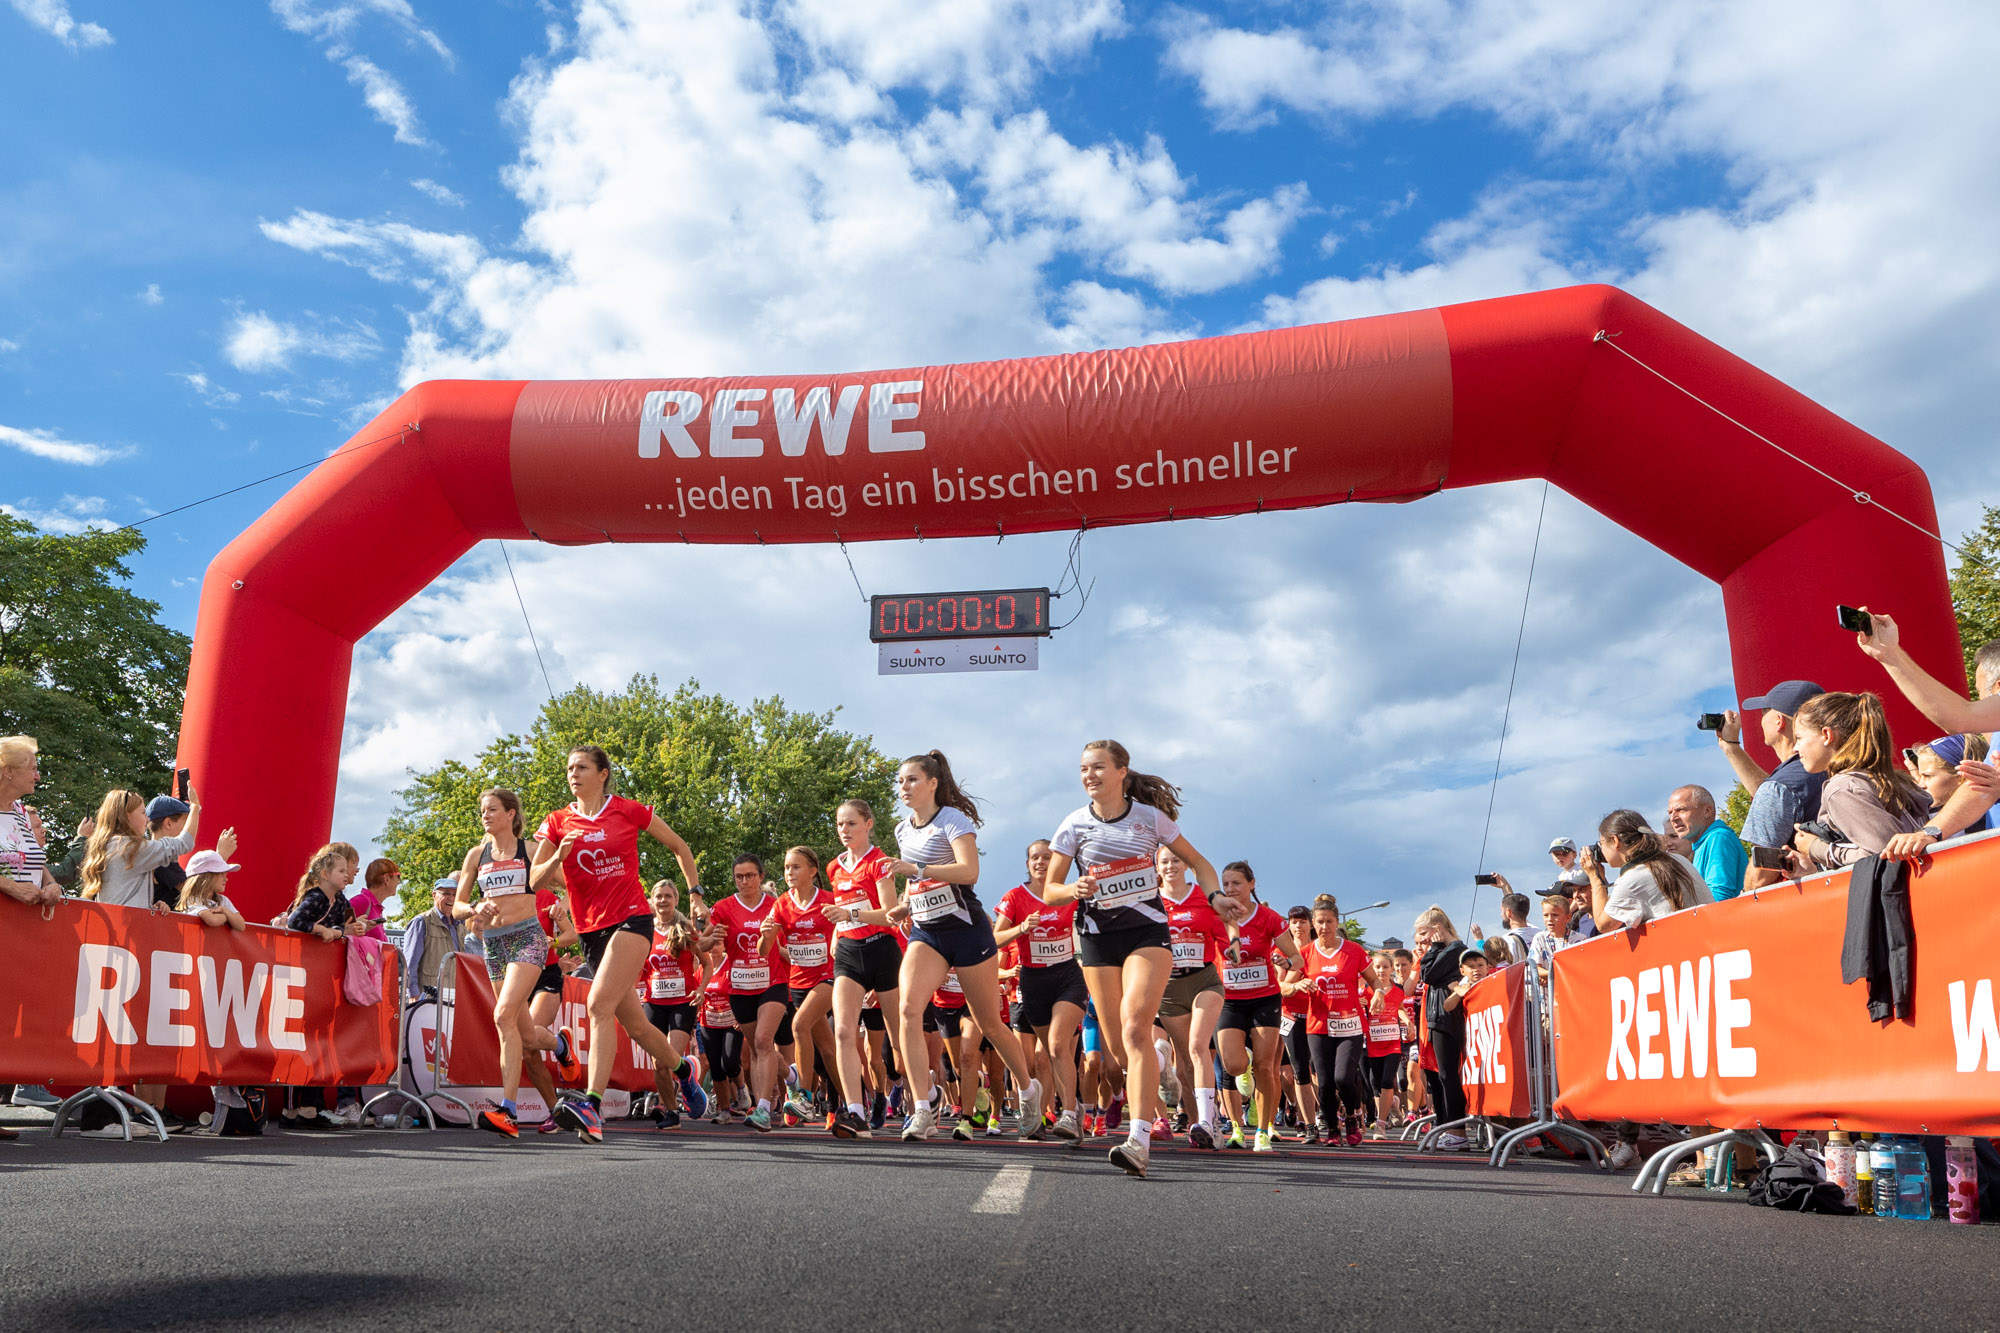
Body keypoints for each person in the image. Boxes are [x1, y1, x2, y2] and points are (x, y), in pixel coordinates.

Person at [1040, 739, 1220, 1178]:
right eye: (1084, 769)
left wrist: (1214, 895)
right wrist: (1074, 890)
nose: (1089, 776)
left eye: (1098, 767)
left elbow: (1199, 863)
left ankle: (1138, 1139)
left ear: (1122, 771)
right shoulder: (1073, 825)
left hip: (1146, 934)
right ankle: (1161, 1072)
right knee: (1120, 1050)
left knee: (1137, 1025)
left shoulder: (1149, 819)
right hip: (1098, 939)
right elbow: (1050, 889)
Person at [529, 743, 703, 1144]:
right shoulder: (557, 821)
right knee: (638, 1026)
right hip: (591, 933)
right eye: (569, 768)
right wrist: (558, 859)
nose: (573, 774)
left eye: (582, 767)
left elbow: (679, 846)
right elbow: (535, 880)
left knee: (598, 1005)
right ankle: (683, 1072)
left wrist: (694, 893)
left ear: (603, 773)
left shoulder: (627, 809)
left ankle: (590, 1104)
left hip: (632, 920)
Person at [888, 751, 1044, 1147]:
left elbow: (969, 872)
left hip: (966, 929)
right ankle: (922, 1108)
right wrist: (905, 905)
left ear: (932, 783)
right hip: (927, 932)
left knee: (989, 1022)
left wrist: (919, 871)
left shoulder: (953, 820)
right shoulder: (902, 829)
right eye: (900, 782)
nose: (903, 788)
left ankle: (1028, 1092)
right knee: (908, 1009)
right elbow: (913, 881)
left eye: (911, 780)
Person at [452, 788, 580, 1139]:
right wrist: (475, 909)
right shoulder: (476, 856)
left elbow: (572, 886)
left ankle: (507, 1111)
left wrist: (562, 906)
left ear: (511, 814)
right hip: (493, 945)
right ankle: (560, 1046)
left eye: (492, 809)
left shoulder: (532, 851)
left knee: (503, 1016)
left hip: (529, 938)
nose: (485, 815)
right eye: (482, 810)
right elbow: (458, 906)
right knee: (523, 1034)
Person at [994, 839, 1089, 1142]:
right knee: (1043, 1057)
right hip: (1034, 982)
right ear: (1028, 864)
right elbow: (995, 940)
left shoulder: (1068, 894)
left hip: (1067, 977)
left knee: (1059, 1046)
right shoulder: (1015, 898)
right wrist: (1021, 929)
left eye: (1047, 857)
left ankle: (1070, 1114)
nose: (1041, 862)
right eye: (1035, 857)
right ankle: (1049, 1109)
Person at [822, 797, 902, 1139]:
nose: (844, 830)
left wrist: (850, 915)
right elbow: (840, 912)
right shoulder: (834, 867)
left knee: (899, 1037)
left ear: (869, 824)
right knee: (843, 1032)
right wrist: (838, 932)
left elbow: (891, 913)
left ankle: (922, 1101)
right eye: (840, 824)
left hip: (882, 950)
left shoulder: (879, 863)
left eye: (851, 823)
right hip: (849, 953)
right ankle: (855, 1110)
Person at [1211, 861, 1305, 1153]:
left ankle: (1262, 1131)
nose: (1230, 889)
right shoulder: (1215, 916)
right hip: (1229, 1000)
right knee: (1234, 1065)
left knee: (1266, 1066)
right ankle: (1236, 1124)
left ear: (1251, 884)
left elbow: (1297, 959)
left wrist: (1284, 963)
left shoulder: (1268, 918)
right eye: (1225, 884)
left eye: (1236, 883)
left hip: (1264, 998)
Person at [1787, 692, 1931, 870]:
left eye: (1799, 738)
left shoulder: (1842, 789)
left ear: (1826, 735)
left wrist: (1817, 849)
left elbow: (1883, 854)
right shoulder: (1895, 779)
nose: (1795, 748)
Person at [699, 854, 788, 1132]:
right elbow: (701, 944)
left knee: (763, 1042)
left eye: (750, 875)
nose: (744, 881)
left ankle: (762, 1108)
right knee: (761, 1050)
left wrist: (774, 942)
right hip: (740, 987)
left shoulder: (777, 906)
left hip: (772, 981)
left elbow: (787, 951)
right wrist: (711, 939)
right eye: (739, 876)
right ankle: (792, 1075)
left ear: (761, 877)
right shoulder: (724, 907)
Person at [1151, 843, 1228, 1150]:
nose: (1170, 866)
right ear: (1157, 869)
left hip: (1203, 980)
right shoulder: (1151, 903)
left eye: (1175, 860)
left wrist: (1233, 947)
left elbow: (1227, 929)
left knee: (1198, 1047)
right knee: (1184, 1065)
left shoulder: (1204, 897)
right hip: (1169, 989)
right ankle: (1202, 1127)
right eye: (1164, 862)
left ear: (1185, 866)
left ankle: (1210, 1121)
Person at [762, 846, 841, 1128]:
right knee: (828, 1050)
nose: (789, 873)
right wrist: (766, 933)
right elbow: (764, 950)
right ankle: (842, 1104)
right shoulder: (781, 903)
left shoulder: (829, 900)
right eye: (786, 867)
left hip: (829, 977)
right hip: (798, 982)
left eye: (796, 867)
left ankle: (805, 1098)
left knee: (799, 1026)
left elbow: (849, 931)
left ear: (812, 871)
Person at [1728, 680, 1829, 890]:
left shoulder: (1780, 787)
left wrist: (1744, 894)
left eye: (1764, 711)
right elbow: (1772, 793)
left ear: (1779, 721)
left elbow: (1761, 874)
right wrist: (1730, 747)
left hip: (1805, 904)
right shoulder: (1840, 767)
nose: (1760, 718)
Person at [1297, 894, 1371, 1147]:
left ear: (1337, 922)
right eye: (1320, 921)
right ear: (1313, 923)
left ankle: (1351, 1115)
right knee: (1326, 1083)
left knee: (1342, 1078)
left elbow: (1376, 981)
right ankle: (1332, 1130)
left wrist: (1380, 993)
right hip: (1318, 1026)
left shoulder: (1354, 951)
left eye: (1329, 921)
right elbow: (1283, 984)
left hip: (1349, 1024)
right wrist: (1297, 983)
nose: (1324, 926)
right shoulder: (1305, 953)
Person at [639, 884, 707, 1128]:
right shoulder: (644, 929)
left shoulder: (685, 929)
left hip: (682, 1002)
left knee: (671, 1058)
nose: (663, 900)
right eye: (659, 896)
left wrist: (700, 990)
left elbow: (706, 964)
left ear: (676, 900)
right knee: (657, 1062)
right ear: (652, 900)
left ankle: (685, 1079)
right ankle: (671, 1112)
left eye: (668, 896)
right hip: (653, 1002)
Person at [1583, 809, 1708, 931]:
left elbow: (1604, 925)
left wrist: (1595, 877)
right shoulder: (1678, 859)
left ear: (1615, 841)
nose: (1601, 850)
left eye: (1601, 843)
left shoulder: (1631, 879)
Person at [77, 787, 201, 911]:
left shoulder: (105, 845)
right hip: (129, 926)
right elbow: (185, 842)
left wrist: (148, 906)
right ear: (126, 816)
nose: (147, 819)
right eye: (143, 813)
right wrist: (195, 807)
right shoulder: (131, 848)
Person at [1412, 906, 1469, 1149]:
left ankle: (1457, 1132)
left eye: (1424, 933)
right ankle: (1447, 1127)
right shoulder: (1447, 949)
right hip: (1437, 1016)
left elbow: (1429, 975)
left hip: (1447, 1017)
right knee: (1439, 1077)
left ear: (1437, 929)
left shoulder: (1455, 947)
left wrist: (1433, 948)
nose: (1422, 940)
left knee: (1448, 1075)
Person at [1276, 906, 1320, 1143]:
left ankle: (1330, 1115)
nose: (1299, 926)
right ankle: (1307, 1121)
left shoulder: (1318, 949)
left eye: (1303, 922)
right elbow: (1279, 987)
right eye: (1294, 922)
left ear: (1311, 924)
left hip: (1319, 1016)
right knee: (1298, 1071)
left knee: (1320, 1072)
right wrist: (1295, 986)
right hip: (1291, 1015)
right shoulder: (1281, 949)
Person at [1665, 785, 1747, 901]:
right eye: (1670, 812)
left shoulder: (1718, 838)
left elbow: (1718, 899)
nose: (1673, 818)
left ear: (1707, 811)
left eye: (1681, 810)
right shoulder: (1702, 844)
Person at [1913, 735, 1998, 835]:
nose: (1921, 785)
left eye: (1927, 776)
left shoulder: (1984, 819)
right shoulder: (1931, 815)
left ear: (1962, 776)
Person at [1362, 951, 1407, 1136]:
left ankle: (1381, 1122)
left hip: (1392, 1043)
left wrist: (1408, 1022)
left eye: (1385, 967)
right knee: (1375, 1082)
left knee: (1388, 1080)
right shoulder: (1367, 990)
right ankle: (1390, 1105)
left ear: (1391, 969)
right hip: (1373, 1043)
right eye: (1377, 967)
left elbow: (1401, 1009)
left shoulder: (1397, 990)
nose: (1381, 970)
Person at [402, 876, 468, 996]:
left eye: (455, 894)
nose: (451, 898)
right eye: (446, 893)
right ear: (434, 895)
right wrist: (413, 993)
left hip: (455, 998)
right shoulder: (421, 922)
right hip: (428, 997)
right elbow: (409, 964)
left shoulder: (461, 925)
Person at [144, 795, 192, 908]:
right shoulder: (160, 858)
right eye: (185, 822)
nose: (187, 829)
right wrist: (221, 856)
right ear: (168, 823)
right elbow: (193, 892)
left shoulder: (149, 853)